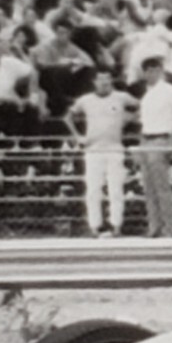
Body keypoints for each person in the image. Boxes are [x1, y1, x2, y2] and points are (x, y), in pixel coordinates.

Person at [67, 67, 136, 236]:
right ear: (94, 82)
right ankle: (94, 226)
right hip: (93, 150)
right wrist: (78, 137)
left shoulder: (121, 97)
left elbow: (141, 106)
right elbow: (68, 117)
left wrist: (128, 119)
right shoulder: (86, 100)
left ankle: (116, 225)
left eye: (107, 79)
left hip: (114, 149)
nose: (104, 82)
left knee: (116, 189)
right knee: (93, 189)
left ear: (111, 80)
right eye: (100, 79)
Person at [135, 55, 172, 237]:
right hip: (146, 139)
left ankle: (169, 227)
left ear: (160, 70)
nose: (151, 74)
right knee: (148, 187)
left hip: (162, 138)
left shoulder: (170, 91)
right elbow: (144, 122)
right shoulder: (147, 95)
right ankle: (154, 226)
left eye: (154, 70)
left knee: (162, 187)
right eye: (148, 71)